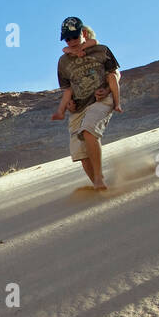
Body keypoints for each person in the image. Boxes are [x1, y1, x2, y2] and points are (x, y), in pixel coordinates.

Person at [51, 16, 122, 189]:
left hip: (101, 100)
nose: (72, 41)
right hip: (78, 108)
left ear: (83, 33)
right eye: (68, 38)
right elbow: (68, 88)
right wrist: (67, 106)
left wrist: (107, 90)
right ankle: (99, 188)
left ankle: (99, 177)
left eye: (74, 36)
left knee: (88, 131)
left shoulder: (101, 50)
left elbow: (115, 74)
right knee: (80, 153)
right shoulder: (63, 61)